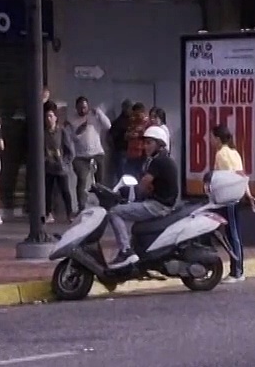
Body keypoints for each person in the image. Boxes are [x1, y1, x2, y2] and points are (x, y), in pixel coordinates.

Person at [108, 125, 181, 268]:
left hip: (158, 206)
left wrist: (129, 196)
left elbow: (143, 184)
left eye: (149, 143)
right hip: (160, 203)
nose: (145, 146)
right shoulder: (162, 159)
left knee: (114, 212)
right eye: (145, 143)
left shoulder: (158, 161)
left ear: (159, 144)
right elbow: (149, 186)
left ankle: (126, 251)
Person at [210, 124, 249, 282]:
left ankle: (237, 271)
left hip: (229, 199)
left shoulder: (222, 154)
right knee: (234, 234)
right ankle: (237, 269)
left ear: (218, 139)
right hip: (235, 197)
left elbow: (229, 177)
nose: (210, 140)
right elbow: (241, 174)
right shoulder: (235, 152)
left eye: (212, 137)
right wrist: (248, 194)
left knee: (233, 235)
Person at [66, 96, 109, 207]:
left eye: (84, 107)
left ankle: (103, 205)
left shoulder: (94, 117)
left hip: (97, 153)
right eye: (80, 108)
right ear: (76, 108)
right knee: (82, 179)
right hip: (81, 156)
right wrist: (82, 127)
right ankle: (81, 206)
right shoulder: (72, 120)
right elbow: (72, 137)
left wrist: (99, 113)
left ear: (88, 107)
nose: (83, 110)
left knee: (100, 181)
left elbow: (108, 126)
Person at [44, 102, 75, 223]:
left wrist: (65, 162)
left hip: (61, 167)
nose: (49, 119)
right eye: (47, 116)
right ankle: (48, 213)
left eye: (51, 116)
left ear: (56, 118)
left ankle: (69, 213)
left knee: (65, 191)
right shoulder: (43, 133)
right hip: (48, 167)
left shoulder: (62, 132)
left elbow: (70, 151)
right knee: (48, 192)